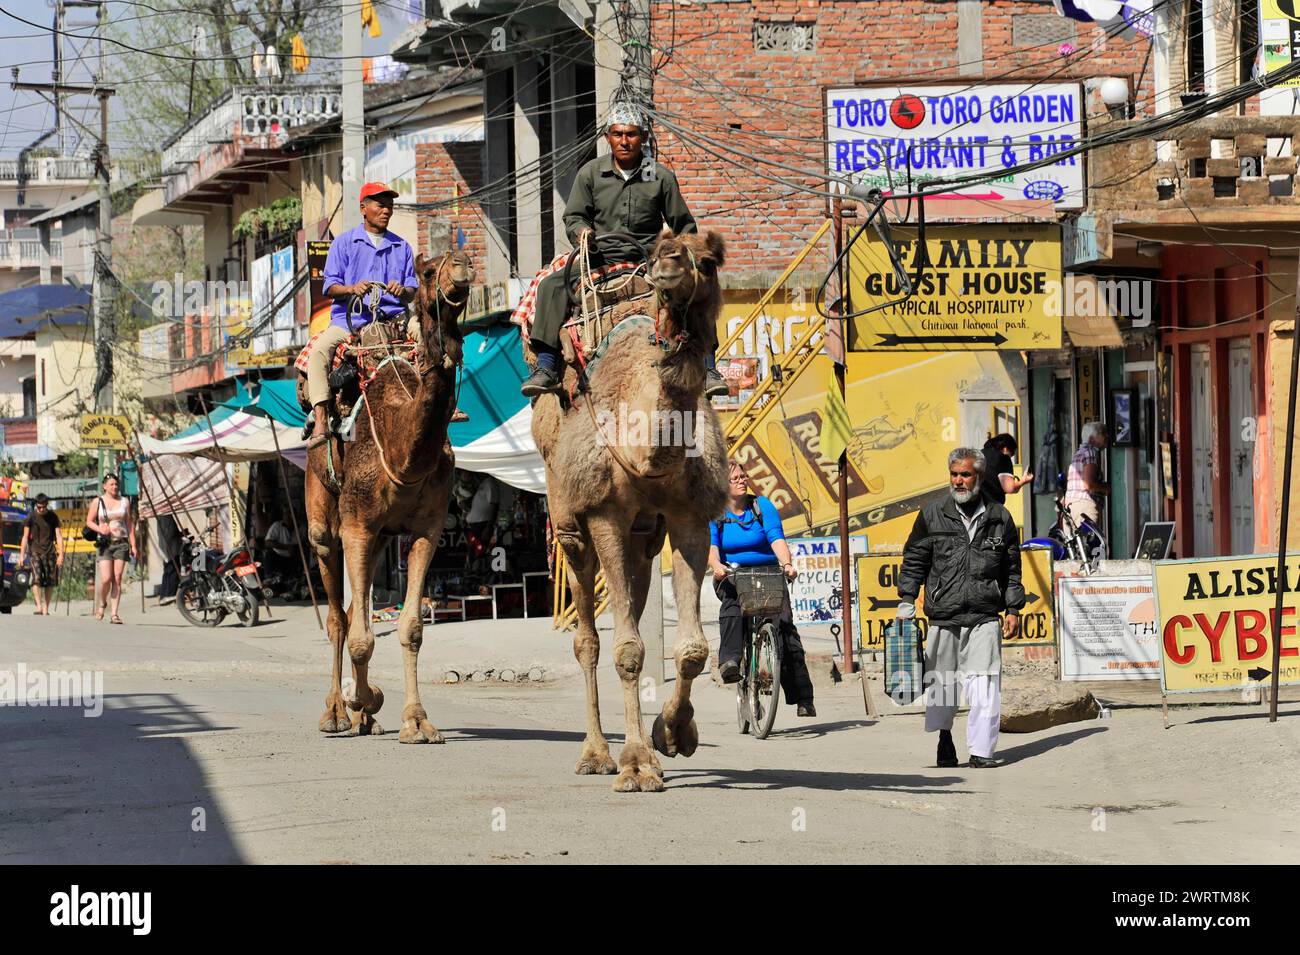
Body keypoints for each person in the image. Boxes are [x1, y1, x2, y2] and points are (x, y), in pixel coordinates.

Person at [518, 102, 727, 399]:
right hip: (600, 255)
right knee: (551, 286)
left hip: (648, 258)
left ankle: (708, 368)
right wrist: (581, 233)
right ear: (608, 137)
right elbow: (574, 216)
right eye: (618, 134)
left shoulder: (661, 177)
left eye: (631, 134)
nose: (624, 141)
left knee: (698, 284)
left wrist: (681, 254)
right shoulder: (590, 173)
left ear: (642, 137)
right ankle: (547, 366)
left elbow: (684, 226)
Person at [896, 447, 1024, 769]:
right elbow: (914, 560)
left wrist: (1013, 609)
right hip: (944, 614)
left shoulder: (1000, 518)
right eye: (954, 474)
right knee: (943, 685)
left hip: (984, 614)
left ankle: (982, 751)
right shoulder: (932, 514)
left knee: (985, 683)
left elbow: (1011, 569)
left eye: (965, 474)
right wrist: (907, 600)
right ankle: (944, 737)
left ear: (978, 477)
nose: (959, 481)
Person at [303, 181, 418, 448]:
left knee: (429, 338)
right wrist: (352, 288)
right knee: (319, 350)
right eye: (380, 205)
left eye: (389, 206)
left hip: (395, 322)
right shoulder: (343, 243)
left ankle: (444, 406)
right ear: (363, 208)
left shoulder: (402, 247)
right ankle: (320, 419)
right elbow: (329, 286)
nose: (386, 210)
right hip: (350, 322)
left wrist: (404, 290)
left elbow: (412, 290)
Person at [707, 459, 816, 717]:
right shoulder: (716, 513)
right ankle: (731, 662)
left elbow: (776, 537)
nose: (742, 481)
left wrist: (787, 564)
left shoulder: (761, 506)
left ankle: (803, 698)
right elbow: (710, 546)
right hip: (733, 574)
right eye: (735, 479)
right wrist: (716, 566)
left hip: (768, 574)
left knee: (785, 629)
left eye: (743, 476)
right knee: (732, 607)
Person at [86, 473, 137, 624]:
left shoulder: (124, 501)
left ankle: (114, 614)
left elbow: (129, 524)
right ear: (104, 486)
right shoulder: (98, 501)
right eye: (111, 484)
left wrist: (133, 544)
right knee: (106, 578)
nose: (114, 487)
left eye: (116, 484)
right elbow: (89, 521)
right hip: (105, 544)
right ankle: (102, 603)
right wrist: (100, 529)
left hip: (121, 543)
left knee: (117, 578)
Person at [19, 493, 63, 615]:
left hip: (50, 552)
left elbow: (59, 536)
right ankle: (38, 606)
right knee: (36, 579)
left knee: (50, 581)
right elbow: (25, 537)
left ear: (46, 505)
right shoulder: (31, 517)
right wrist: (21, 556)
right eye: (39, 507)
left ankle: (46, 608)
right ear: (36, 506)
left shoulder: (53, 517)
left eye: (43, 507)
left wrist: (61, 554)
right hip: (35, 552)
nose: (41, 509)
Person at [1063, 420, 1109, 527]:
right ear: (1092, 438)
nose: (1107, 436)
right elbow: (1089, 485)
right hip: (1084, 506)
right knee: (1089, 542)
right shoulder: (1090, 453)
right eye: (1103, 433)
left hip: (1071, 505)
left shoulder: (1079, 453)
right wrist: (1105, 488)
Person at [980, 433, 1033, 506]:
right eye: (1012, 453)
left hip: (970, 508)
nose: (1010, 457)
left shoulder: (979, 455)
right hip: (991, 508)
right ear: (1005, 448)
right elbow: (1009, 488)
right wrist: (1023, 480)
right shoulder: (1003, 458)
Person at [157, 513, 183, 607]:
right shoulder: (165, 518)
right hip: (171, 548)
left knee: (168, 571)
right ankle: (169, 595)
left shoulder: (162, 518)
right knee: (172, 571)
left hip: (168, 548)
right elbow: (170, 533)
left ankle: (164, 595)